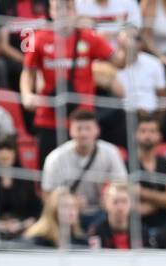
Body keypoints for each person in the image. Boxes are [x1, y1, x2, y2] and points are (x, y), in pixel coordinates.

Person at [20, 0, 124, 160]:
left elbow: (118, 63)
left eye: (67, 7)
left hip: (83, 118)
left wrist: (125, 45)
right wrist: (27, 94)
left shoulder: (89, 37)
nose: (63, 12)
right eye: (58, 8)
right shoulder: (39, 38)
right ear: (51, 11)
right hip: (49, 116)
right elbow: (28, 72)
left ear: (74, 10)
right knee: (49, 172)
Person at [41, 108, 128, 229]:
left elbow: (122, 185)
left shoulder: (111, 152)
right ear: (71, 130)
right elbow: (48, 195)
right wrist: (70, 202)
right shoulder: (55, 158)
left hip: (102, 212)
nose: (83, 134)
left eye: (88, 128)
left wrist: (109, 196)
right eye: (79, 128)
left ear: (97, 130)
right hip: (68, 215)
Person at [0, 137, 43, 242]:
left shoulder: (25, 178)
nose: (4, 153)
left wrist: (26, 223)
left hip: (23, 229)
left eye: (8, 149)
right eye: (0, 150)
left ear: (15, 154)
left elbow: (36, 207)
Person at [23, 186, 90, 247]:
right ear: (53, 210)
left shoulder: (80, 241)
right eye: (65, 206)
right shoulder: (37, 240)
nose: (71, 211)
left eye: (74, 206)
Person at [88, 180, 141, 248]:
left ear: (131, 204)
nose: (120, 207)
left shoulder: (140, 232)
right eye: (115, 202)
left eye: (124, 201)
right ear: (106, 204)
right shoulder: (96, 232)